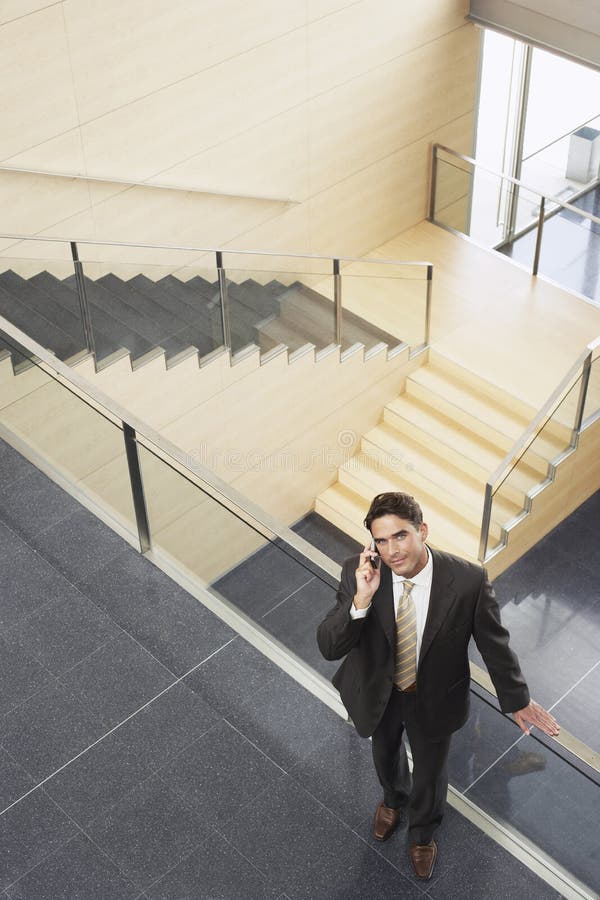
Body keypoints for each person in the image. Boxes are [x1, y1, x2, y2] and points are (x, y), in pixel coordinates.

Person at [317, 491, 559, 881]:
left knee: (430, 772)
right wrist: (361, 599)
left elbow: (493, 643)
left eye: (400, 536)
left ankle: (423, 834)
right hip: (380, 692)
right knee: (385, 755)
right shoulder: (358, 573)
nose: (391, 550)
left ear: (422, 531)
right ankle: (393, 799)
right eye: (381, 540)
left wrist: (517, 698)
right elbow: (329, 646)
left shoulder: (467, 580)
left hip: (433, 697)